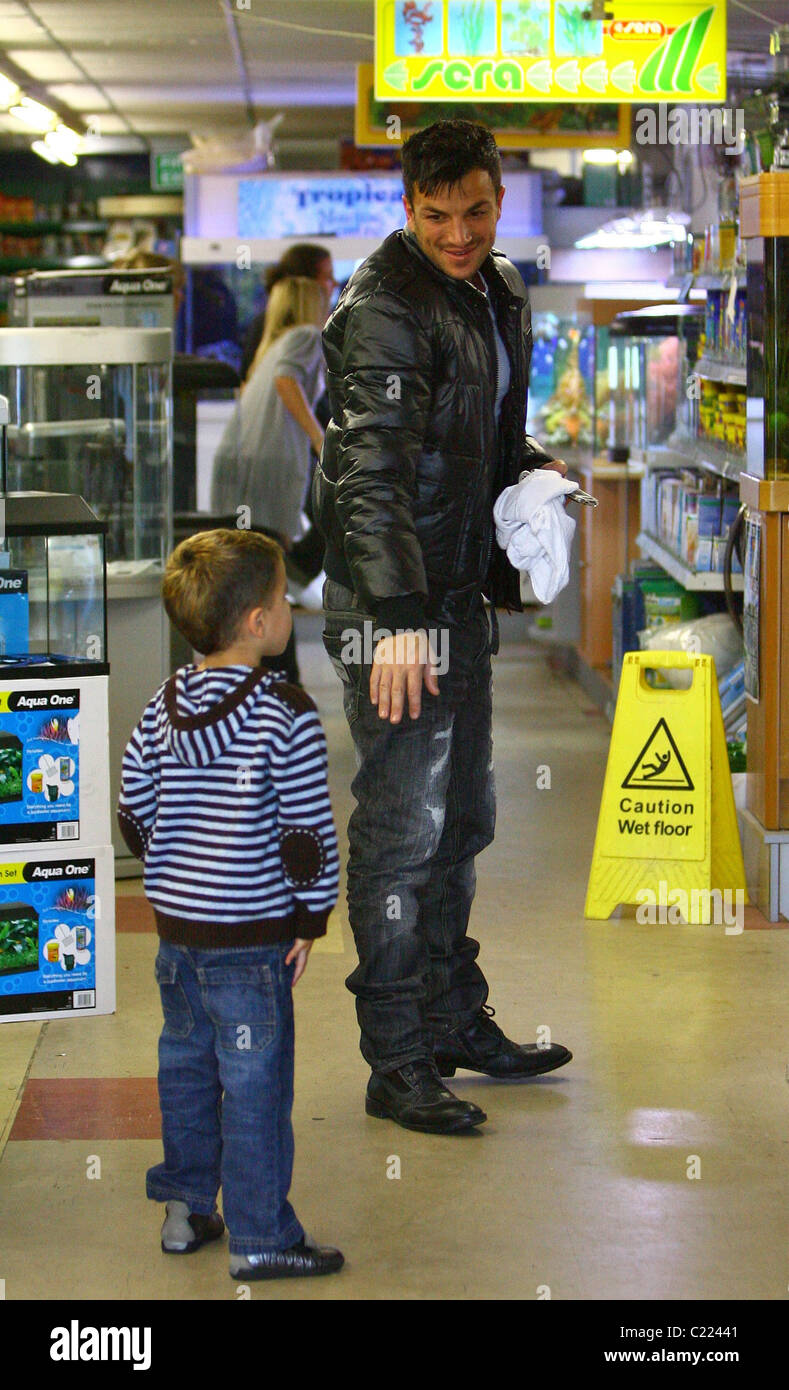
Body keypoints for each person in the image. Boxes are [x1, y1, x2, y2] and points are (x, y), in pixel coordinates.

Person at [312, 119, 573, 1136]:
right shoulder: (383, 307)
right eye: (437, 216)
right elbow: (368, 481)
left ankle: (455, 1018)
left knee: (461, 820)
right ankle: (397, 1057)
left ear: (497, 197)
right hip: (398, 610)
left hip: (456, 597)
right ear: (406, 206)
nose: (458, 232)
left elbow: (473, 434)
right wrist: (395, 623)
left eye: (475, 211)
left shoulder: (494, 290)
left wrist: (536, 466)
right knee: (402, 830)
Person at [117, 528, 343, 1281]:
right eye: (282, 600)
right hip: (250, 943)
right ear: (258, 623)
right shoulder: (285, 712)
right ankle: (261, 1234)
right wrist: (310, 916)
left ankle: (186, 1210)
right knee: (254, 1084)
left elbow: (133, 811)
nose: (286, 611)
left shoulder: (163, 702)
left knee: (185, 1066)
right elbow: (304, 832)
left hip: (177, 937)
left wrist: (178, 878)